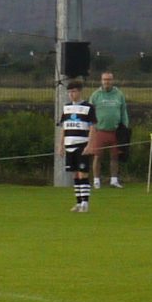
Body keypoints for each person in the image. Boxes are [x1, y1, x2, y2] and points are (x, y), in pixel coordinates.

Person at [89, 70, 129, 190]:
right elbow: (90, 113)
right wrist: (92, 128)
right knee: (97, 156)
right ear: (101, 81)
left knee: (115, 157)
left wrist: (125, 127)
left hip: (116, 131)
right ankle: (96, 181)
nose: (107, 82)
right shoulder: (96, 95)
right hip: (100, 131)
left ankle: (114, 180)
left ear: (112, 80)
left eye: (109, 79)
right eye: (105, 79)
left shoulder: (119, 94)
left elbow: (123, 112)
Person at [61, 86, 97, 214]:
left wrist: (90, 144)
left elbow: (93, 127)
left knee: (83, 173)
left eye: (74, 91)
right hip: (69, 144)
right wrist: (61, 145)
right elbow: (64, 128)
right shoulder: (66, 108)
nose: (71, 94)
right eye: (69, 92)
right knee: (75, 174)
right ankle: (78, 202)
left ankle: (85, 202)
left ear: (80, 92)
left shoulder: (88, 107)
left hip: (82, 144)